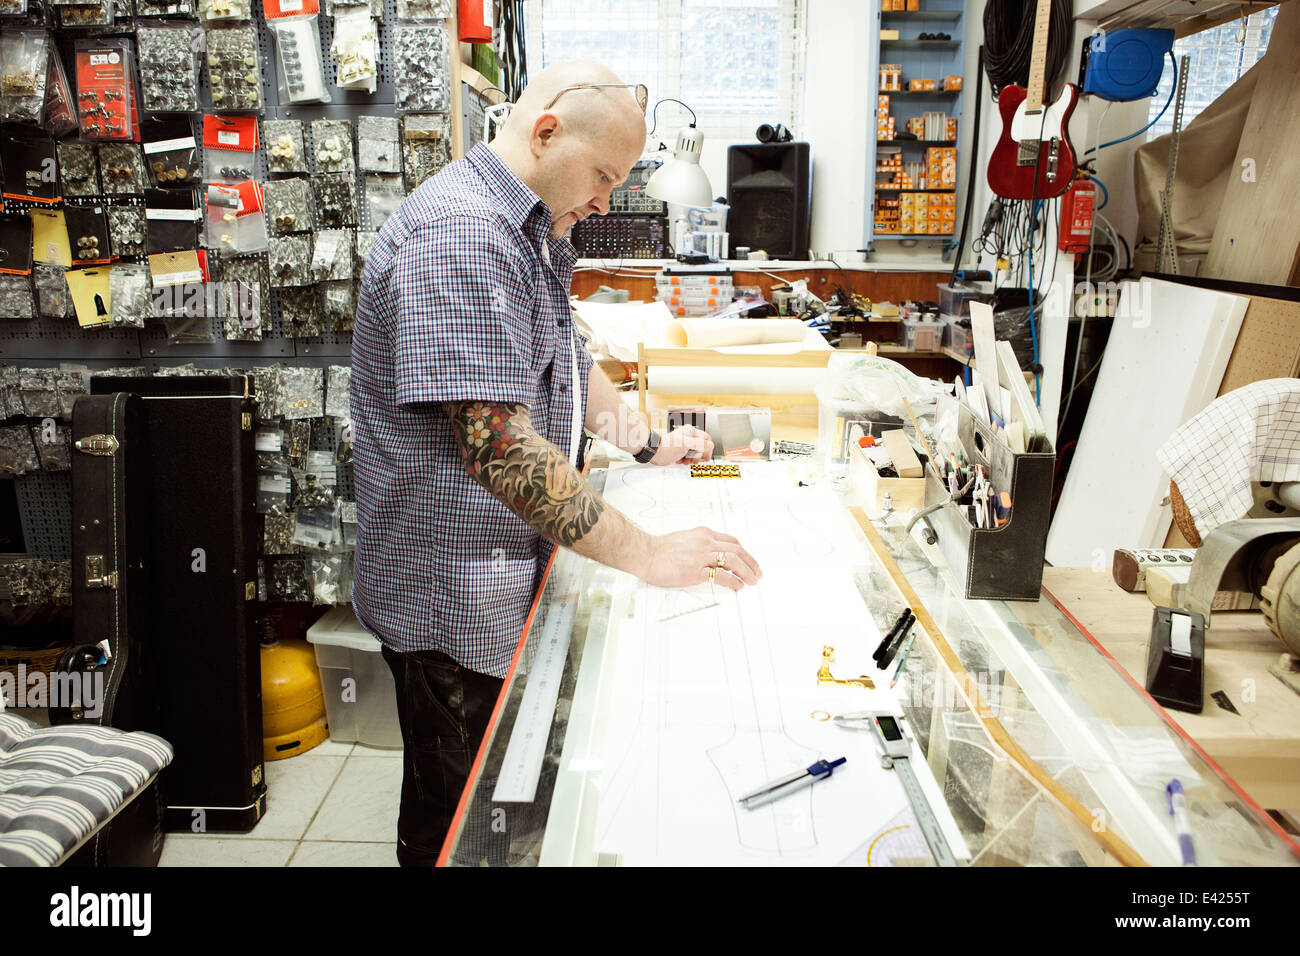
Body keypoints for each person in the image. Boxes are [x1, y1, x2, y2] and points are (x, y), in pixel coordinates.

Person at [350, 59, 763, 866]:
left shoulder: (528, 227)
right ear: (545, 133)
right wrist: (648, 554)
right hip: (452, 603)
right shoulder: (461, 236)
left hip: (504, 577)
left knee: (513, 807)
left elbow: (564, 359)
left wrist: (648, 443)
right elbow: (497, 446)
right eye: (605, 174)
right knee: (458, 827)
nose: (610, 199)